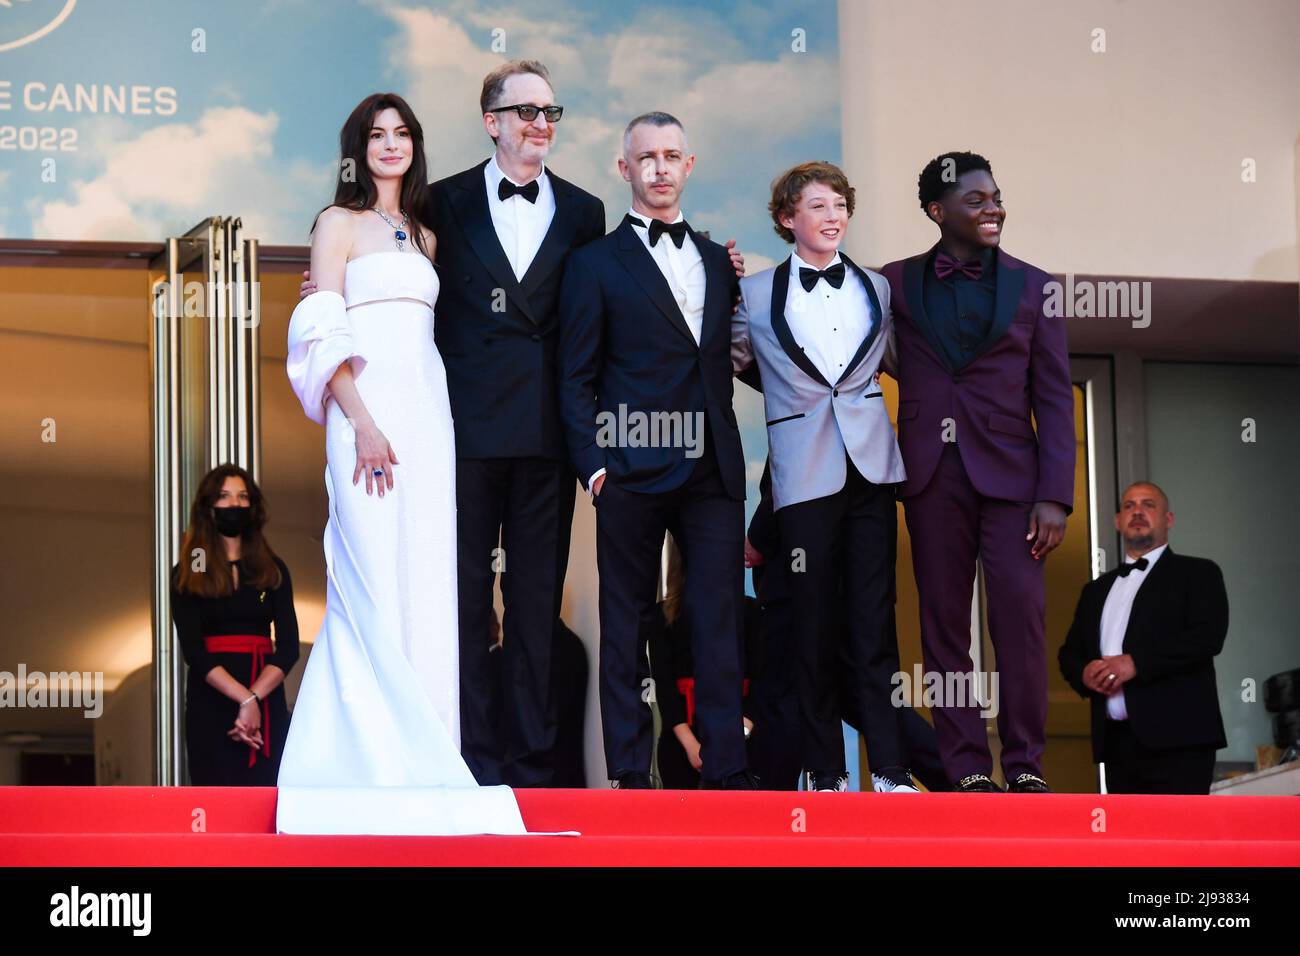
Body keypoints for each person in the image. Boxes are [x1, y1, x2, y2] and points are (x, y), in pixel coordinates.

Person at [278, 92, 523, 835]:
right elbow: (320, 326)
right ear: (358, 148)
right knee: (371, 579)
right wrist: (362, 422)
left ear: (415, 145)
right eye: (377, 135)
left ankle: (423, 760)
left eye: (403, 133)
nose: (391, 144)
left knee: (424, 583)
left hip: (427, 422)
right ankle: (361, 767)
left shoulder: (424, 234)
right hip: (365, 421)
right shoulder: (337, 223)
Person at [557, 111, 754, 789]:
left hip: (713, 467)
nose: (661, 168)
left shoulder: (714, 259)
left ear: (689, 166)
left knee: (718, 617)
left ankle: (728, 768)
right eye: (648, 157)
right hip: (630, 469)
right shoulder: (592, 265)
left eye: (673, 155)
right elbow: (575, 375)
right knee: (626, 623)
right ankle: (630, 775)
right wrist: (595, 467)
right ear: (625, 169)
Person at [880, 151, 1075, 793]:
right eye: (975, 200)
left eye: (994, 196)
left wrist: (1056, 496)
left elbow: (1051, 394)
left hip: (1016, 483)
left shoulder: (1035, 285)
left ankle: (1023, 764)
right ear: (939, 212)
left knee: (1018, 619)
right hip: (933, 476)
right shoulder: (897, 283)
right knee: (943, 623)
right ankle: (965, 768)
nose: (992, 207)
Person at [732, 161, 917, 793]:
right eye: (817, 205)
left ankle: (891, 771)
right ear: (788, 218)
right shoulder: (753, 294)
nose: (832, 215)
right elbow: (734, 360)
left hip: (871, 468)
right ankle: (825, 770)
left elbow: (897, 362)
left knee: (875, 620)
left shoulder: (877, 287)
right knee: (809, 625)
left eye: (839, 203)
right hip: (802, 476)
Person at [745, 462, 951, 792]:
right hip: (834, 584)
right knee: (859, 695)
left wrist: (759, 534)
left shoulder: (820, 422)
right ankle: (958, 783)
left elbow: (797, 470)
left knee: (787, 702)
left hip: (800, 587)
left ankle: (768, 816)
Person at [1059, 482, 1229, 794]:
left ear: (1169, 519)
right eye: (1129, 506)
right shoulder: (1095, 590)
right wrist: (1084, 673)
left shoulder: (1198, 573)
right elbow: (1069, 654)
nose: (1137, 511)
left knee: (1181, 838)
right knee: (1129, 842)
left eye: (1148, 504)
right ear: (1118, 521)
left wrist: (1135, 663)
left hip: (1182, 740)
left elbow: (1207, 637)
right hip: (1116, 743)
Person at [171, 465, 298, 786]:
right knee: (214, 793)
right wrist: (244, 699)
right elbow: (194, 652)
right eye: (224, 497)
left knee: (265, 794)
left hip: (265, 697)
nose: (234, 505)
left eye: (243, 497)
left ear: (253, 508)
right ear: (208, 507)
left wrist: (253, 699)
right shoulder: (188, 571)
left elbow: (288, 649)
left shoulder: (273, 568)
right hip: (210, 701)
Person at [646, 534, 760, 789]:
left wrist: (739, 735)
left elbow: (761, 682)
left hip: (742, 739)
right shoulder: (663, 617)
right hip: (681, 743)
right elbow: (664, 688)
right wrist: (692, 746)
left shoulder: (749, 613)